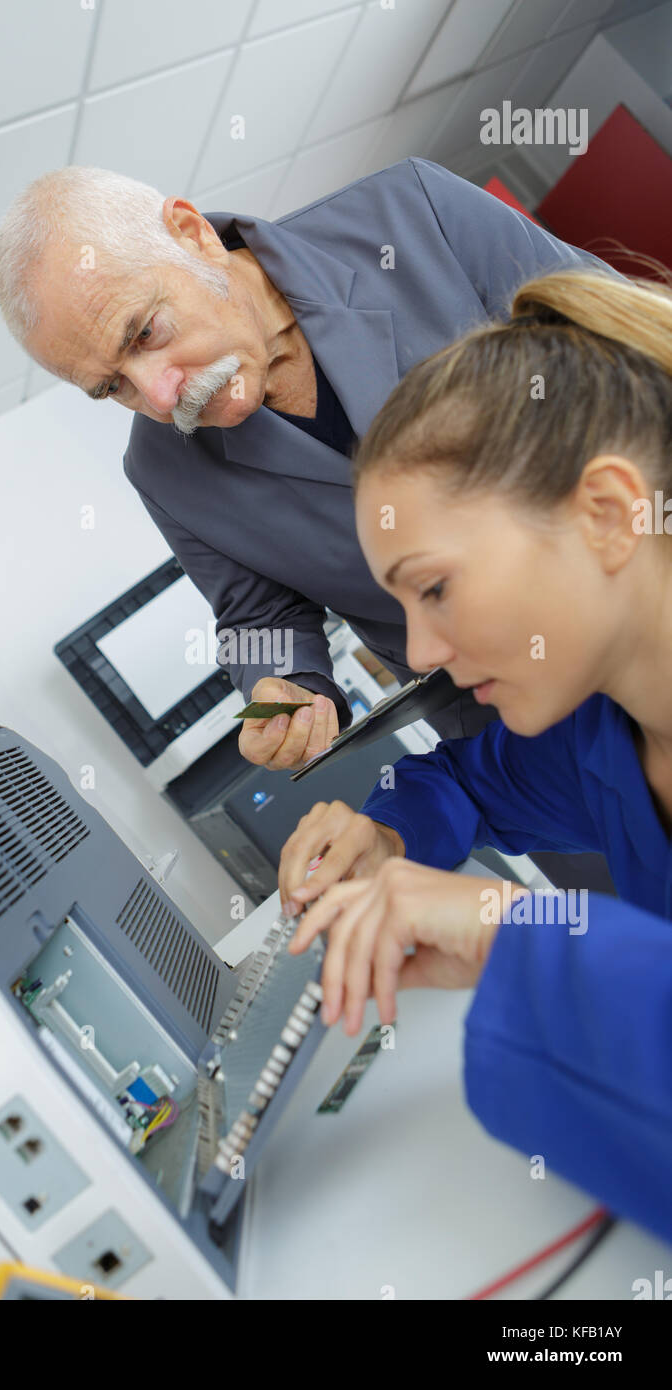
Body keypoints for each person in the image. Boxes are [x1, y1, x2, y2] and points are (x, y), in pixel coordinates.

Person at [278, 269, 672, 1244]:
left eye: (435, 588)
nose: (416, 655)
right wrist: (382, 839)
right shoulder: (598, 731)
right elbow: (459, 777)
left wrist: (511, 932)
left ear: (609, 515)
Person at [0, 159, 608, 771]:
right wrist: (282, 685)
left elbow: (626, 343)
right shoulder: (161, 472)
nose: (157, 395)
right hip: (518, 736)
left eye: (145, 333)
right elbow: (259, 614)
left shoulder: (412, 214)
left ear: (193, 235)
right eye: (111, 388)